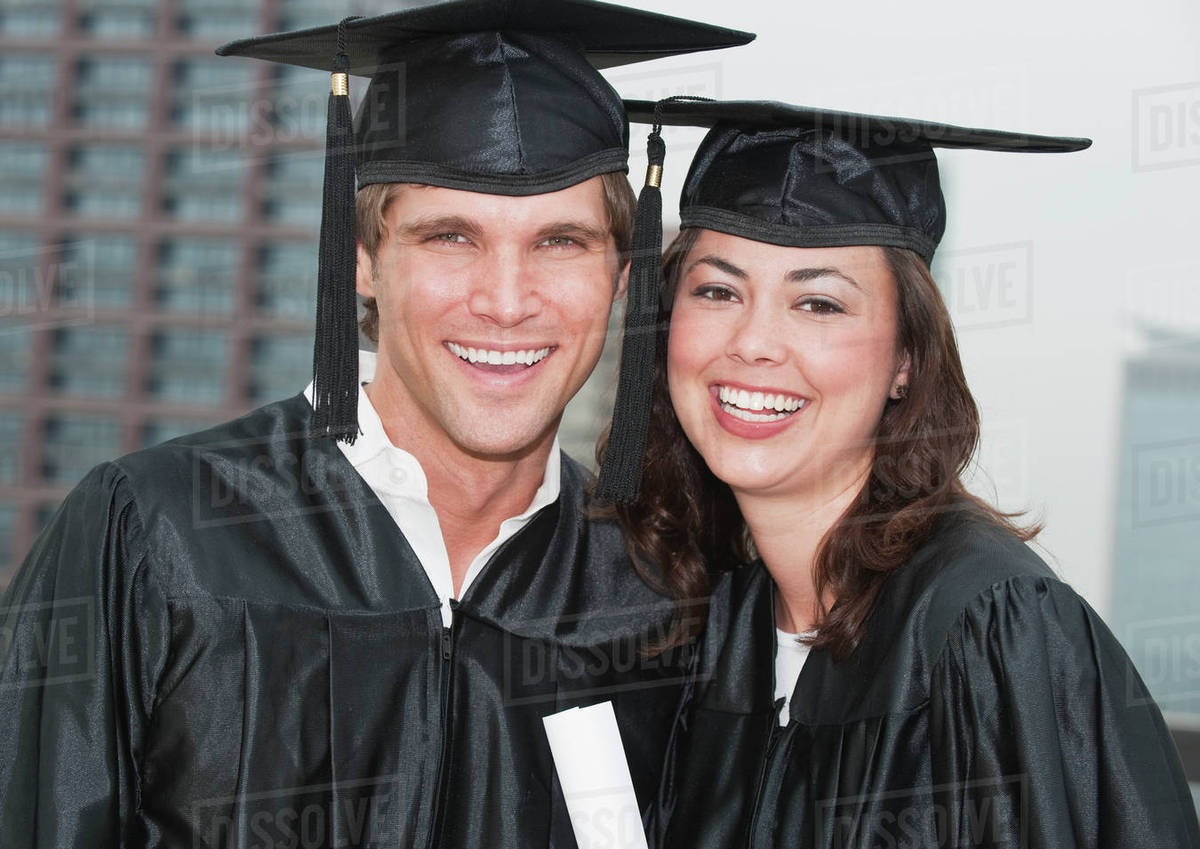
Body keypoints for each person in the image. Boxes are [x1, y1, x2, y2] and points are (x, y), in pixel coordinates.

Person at [0, 7, 754, 848]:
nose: (506, 300)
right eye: (451, 236)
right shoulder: (157, 535)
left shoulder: (661, 604)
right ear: (360, 256)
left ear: (622, 277)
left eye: (561, 242)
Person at [605, 99, 1200, 848]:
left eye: (818, 303)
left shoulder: (992, 631)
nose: (754, 342)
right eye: (718, 290)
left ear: (906, 361)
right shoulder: (722, 633)